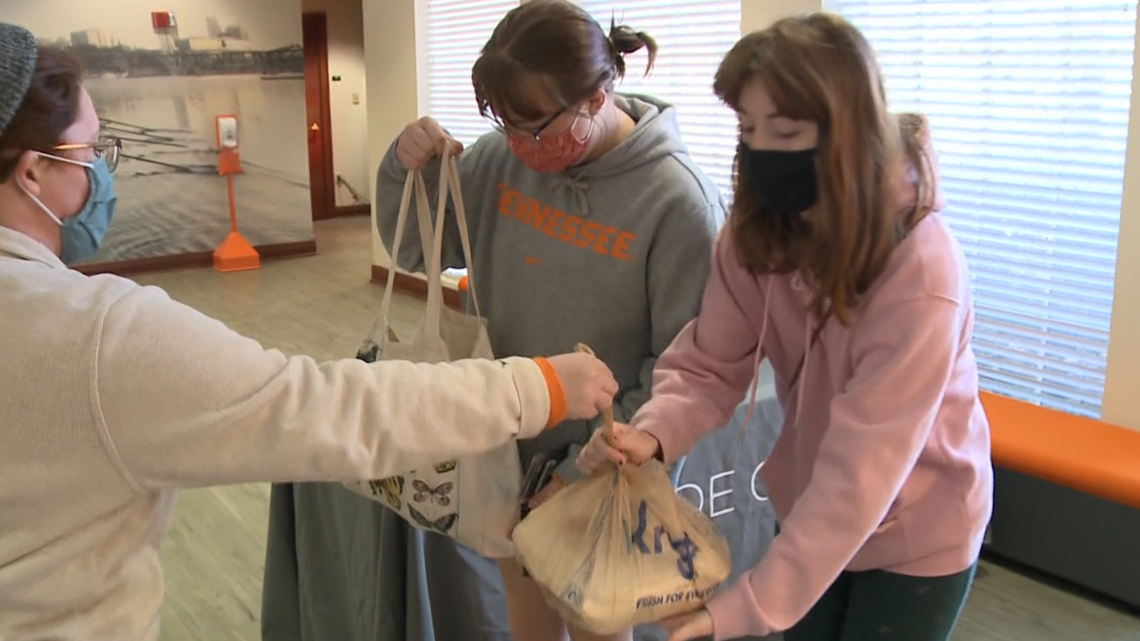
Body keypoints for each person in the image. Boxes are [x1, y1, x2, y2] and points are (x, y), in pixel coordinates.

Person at [0, 22, 619, 641]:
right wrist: (535, 387)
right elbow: (320, 409)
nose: (103, 173)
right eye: (90, 153)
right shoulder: (96, 336)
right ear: (32, 173)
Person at [578, 12, 993, 641]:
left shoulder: (921, 273)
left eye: (786, 130)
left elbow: (859, 477)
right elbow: (711, 362)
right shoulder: (761, 232)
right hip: (810, 506)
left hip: (919, 530)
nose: (761, 149)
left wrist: (740, 608)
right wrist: (656, 432)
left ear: (848, 132)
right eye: (748, 127)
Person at [374, 1, 725, 639]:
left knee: (597, 629)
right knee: (528, 625)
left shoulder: (677, 203)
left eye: (536, 128)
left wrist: (575, 474)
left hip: (599, 477)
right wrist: (403, 167)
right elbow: (412, 252)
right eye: (504, 123)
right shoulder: (500, 161)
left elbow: (686, 373)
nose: (519, 146)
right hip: (506, 455)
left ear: (598, 95)